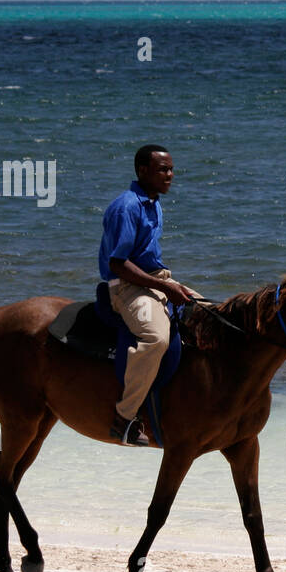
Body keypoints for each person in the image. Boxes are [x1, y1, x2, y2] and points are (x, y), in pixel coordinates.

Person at [98, 145, 196, 447]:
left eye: (171, 169)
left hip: (155, 281)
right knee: (156, 339)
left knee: (212, 316)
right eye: (163, 170)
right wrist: (167, 289)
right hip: (126, 287)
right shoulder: (127, 207)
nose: (170, 175)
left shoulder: (154, 203)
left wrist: (166, 284)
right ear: (142, 171)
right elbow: (118, 263)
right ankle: (125, 418)